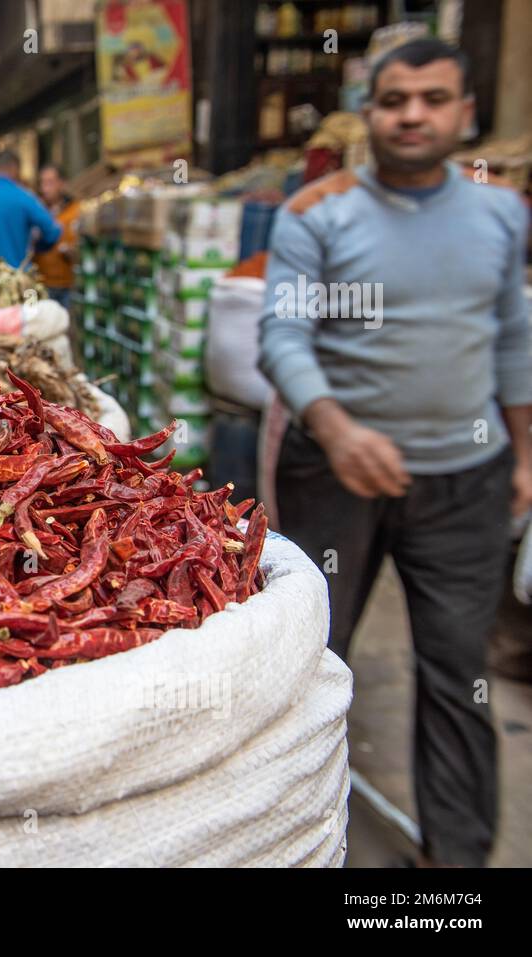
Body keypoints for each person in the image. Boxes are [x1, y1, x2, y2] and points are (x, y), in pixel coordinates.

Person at [258, 38, 532, 868]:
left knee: (457, 670)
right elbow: (283, 335)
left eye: (434, 99)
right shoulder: (316, 212)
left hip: (464, 477)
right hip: (333, 473)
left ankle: (455, 865)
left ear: (465, 113)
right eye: (394, 100)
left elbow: (513, 336)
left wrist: (525, 453)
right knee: (313, 658)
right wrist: (337, 426)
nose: (413, 115)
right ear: (368, 112)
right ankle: (297, 841)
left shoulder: (499, 213)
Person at [33, 165, 81, 310]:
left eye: (50, 182)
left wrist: (72, 251)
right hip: (40, 284)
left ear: (62, 183)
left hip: (67, 285)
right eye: (42, 183)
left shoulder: (75, 210)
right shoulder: (36, 210)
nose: (45, 188)